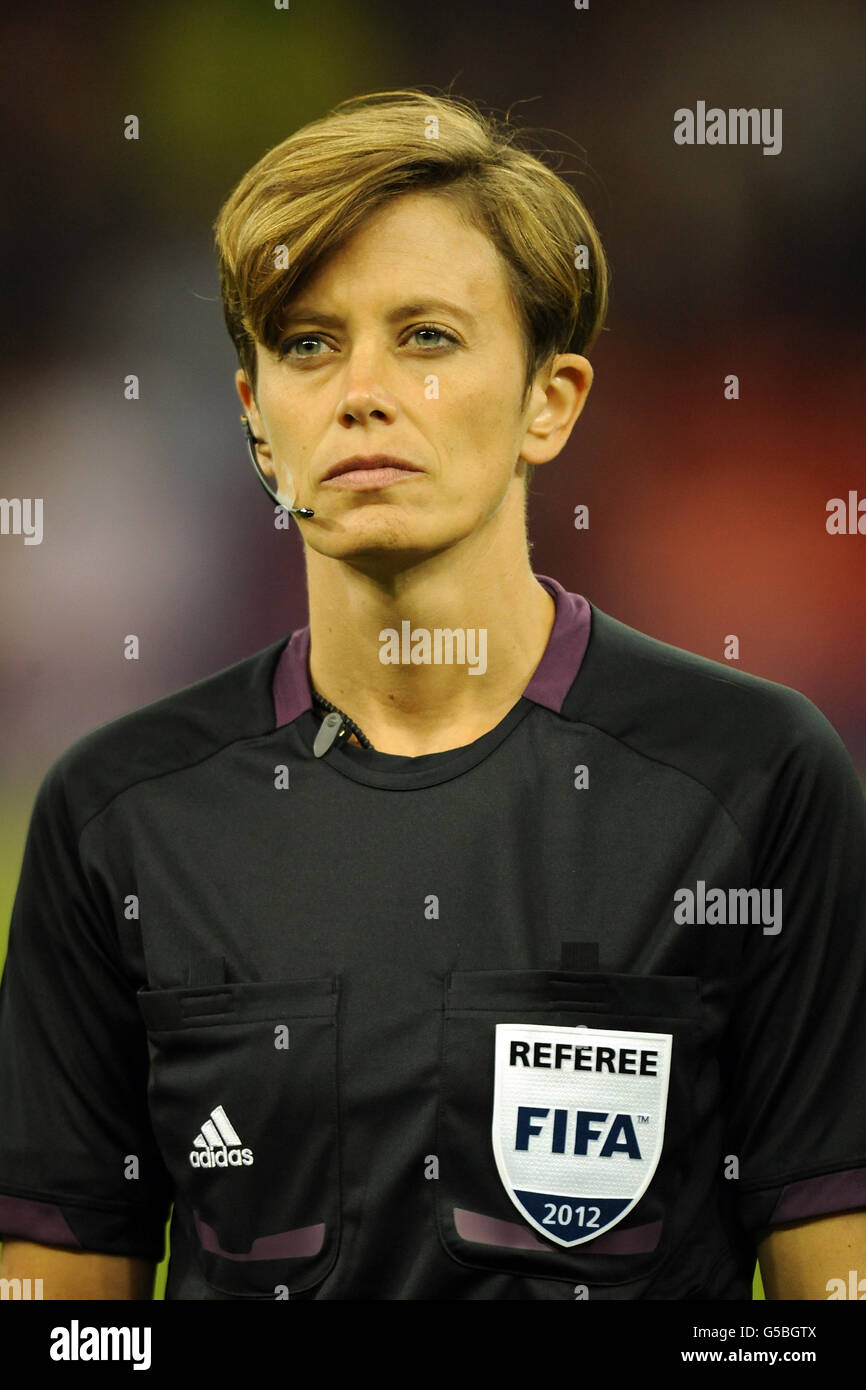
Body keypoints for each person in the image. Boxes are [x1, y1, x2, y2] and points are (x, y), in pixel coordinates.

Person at [0, 88, 864, 1302]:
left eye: (426, 337)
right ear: (255, 419)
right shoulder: (114, 813)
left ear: (548, 401)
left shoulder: (751, 776)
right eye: (307, 343)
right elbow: (66, 1311)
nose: (361, 390)